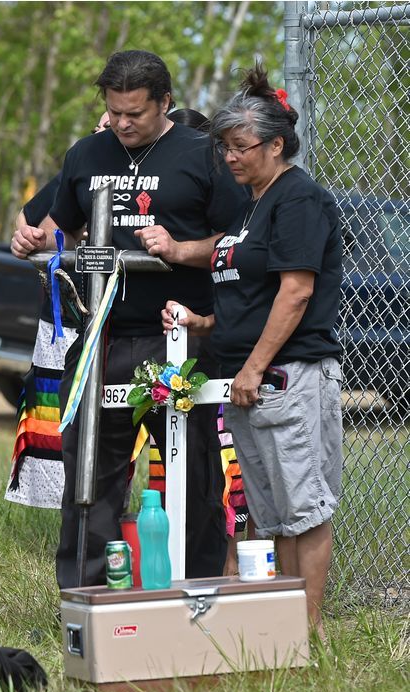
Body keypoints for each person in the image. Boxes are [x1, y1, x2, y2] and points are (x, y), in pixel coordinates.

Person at [12, 50, 249, 588]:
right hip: (102, 338)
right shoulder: (86, 154)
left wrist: (181, 248)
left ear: (165, 102)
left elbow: (240, 241)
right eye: (114, 112)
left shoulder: (203, 154)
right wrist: (32, 238)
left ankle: (195, 591)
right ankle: (86, 593)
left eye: (135, 114)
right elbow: (57, 229)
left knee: (191, 472)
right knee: (90, 471)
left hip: (179, 340)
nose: (121, 124)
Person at [162, 66, 342, 637]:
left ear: (276, 145)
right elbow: (249, 294)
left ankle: (306, 631)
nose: (231, 159)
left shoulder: (299, 199)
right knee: (271, 513)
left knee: (303, 508)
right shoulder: (250, 207)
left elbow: (296, 292)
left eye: (241, 148)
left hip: (286, 376)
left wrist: (256, 365)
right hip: (251, 379)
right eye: (225, 148)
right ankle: (286, 623)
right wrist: (202, 321)